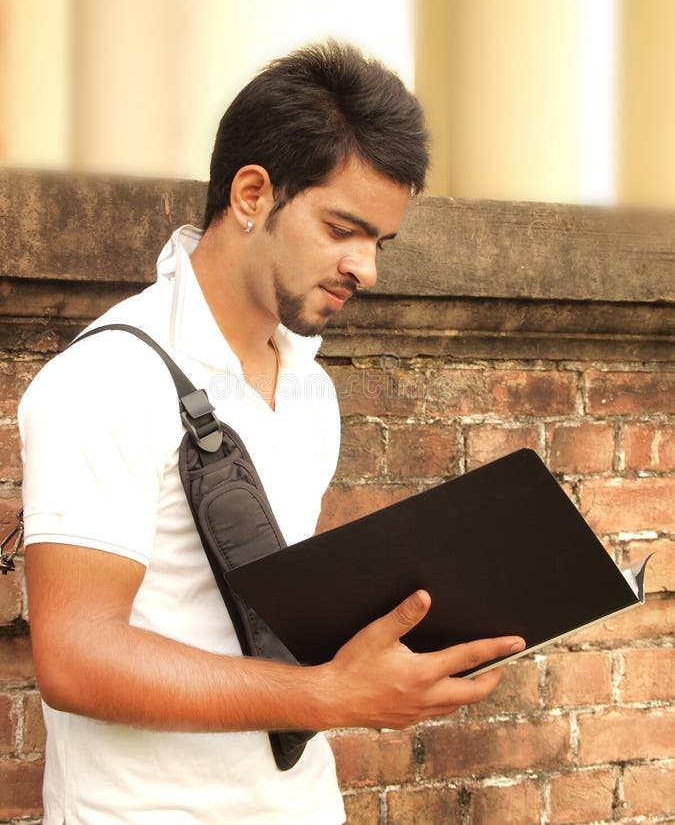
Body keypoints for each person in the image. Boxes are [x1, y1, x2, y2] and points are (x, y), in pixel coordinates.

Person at [19, 42, 525, 824]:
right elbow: (76, 657)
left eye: (379, 242)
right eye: (342, 228)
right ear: (252, 194)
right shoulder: (107, 379)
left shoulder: (308, 386)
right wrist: (329, 694)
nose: (368, 268)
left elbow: (255, 620)